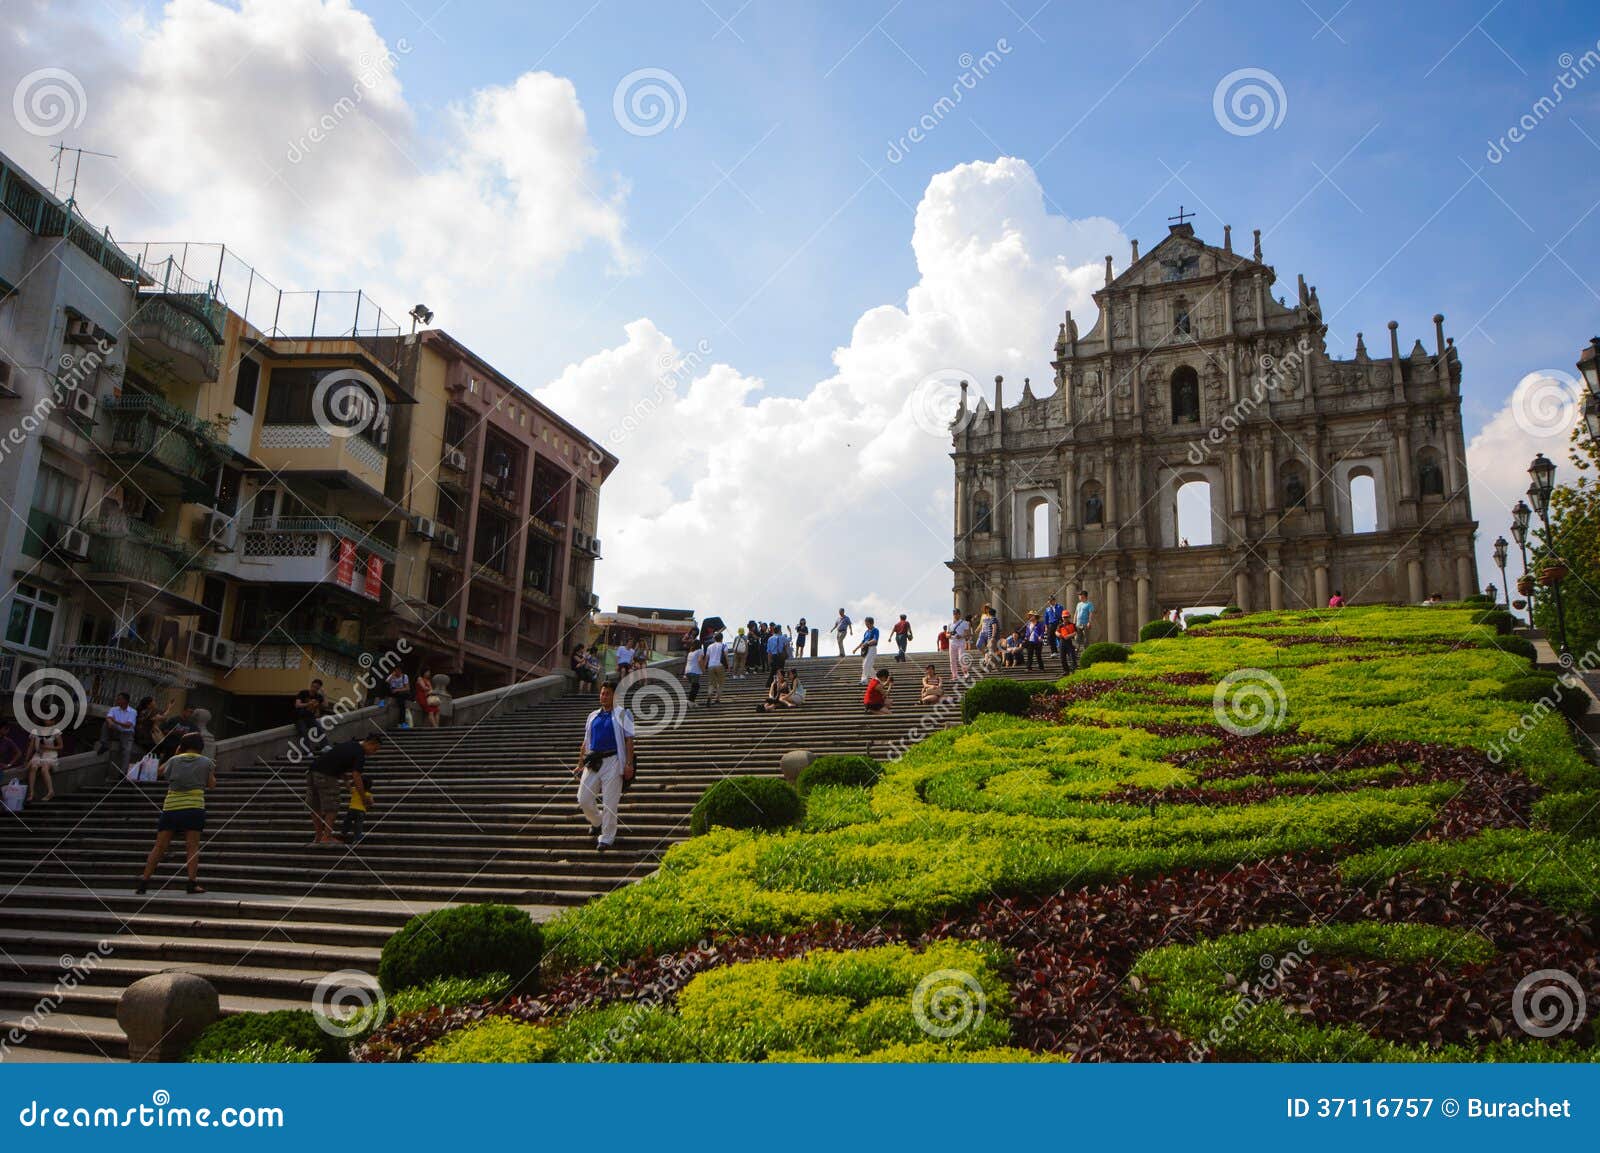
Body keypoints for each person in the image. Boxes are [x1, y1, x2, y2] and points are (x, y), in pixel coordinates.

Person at [136, 732, 216, 894]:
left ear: (182, 745)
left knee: (159, 847)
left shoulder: (174, 760)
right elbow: (211, 784)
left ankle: (144, 882)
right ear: (201, 746)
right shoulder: (207, 762)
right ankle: (191, 883)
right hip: (194, 807)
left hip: (171, 807)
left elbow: (159, 773)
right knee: (192, 847)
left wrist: (176, 755)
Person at [575, 681, 634, 852]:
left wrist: (629, 764)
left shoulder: (623, 714)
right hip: (593, 761)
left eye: (607, 693)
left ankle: (607, 837)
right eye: (602, 693)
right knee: (583, 798)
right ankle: (597, 821)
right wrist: (580, 764)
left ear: (614, 696)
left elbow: (629, 740)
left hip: (614, 760)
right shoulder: (593, 716)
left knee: (610, 801)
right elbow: (585, 742)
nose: (603, 696)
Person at [306, 733, 380, 846]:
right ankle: (327, 837)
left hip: (312, 772)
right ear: (370, 743)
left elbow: (340, 767)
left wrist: (349, 787)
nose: (374, 753)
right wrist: (363, 797)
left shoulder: (349, 744)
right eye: (375, 749)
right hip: (327, 775)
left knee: (315, 805)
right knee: (332, 806)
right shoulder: (360, 752)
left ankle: (318, 836)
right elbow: (356, 776)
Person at [104, 692, 137, 778]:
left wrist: (114, 721)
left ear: (125, 701)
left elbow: (128, 725)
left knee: (127, 751)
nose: (117, 700)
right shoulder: (114, 709)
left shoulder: (133, 712)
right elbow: (108, 717)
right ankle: (104, 743)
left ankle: (123, 773)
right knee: (106, 724)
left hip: (127, 733)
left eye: (119, 699)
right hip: (116, 730)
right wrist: (111, 722)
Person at [24, 730, 60, 802]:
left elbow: (60, 746)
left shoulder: (55, 731)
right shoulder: (35, 731)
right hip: (38, 755)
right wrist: (26, 759)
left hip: (50, 755)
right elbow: (31, 747)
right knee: (33, 767)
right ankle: (31, 793)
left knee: (44, 769)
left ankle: (50, 791)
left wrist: (46, 747)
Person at [342, 770, 374, 846]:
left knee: (347, 820)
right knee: (358, 825)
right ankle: (357, 838)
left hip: (351, 810)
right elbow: (371, 803)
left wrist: (346, 780)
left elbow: (348, 787)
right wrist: (367, 802)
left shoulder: (355, 790)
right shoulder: (368, 794)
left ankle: (344, 830)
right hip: (361, 812)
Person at [293, 679, 325, 746]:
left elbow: (326, 705)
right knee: (304, 733)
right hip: (300, 718)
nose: (314, 689)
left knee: (320, 728)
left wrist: (324, 694)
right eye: (313, 686)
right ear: (311, 685)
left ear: (319, 688)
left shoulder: (318, 696)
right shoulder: (303, 693)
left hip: (310, 718)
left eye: (317, 688)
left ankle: (325, 746)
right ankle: (307, 751)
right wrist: (308, 703)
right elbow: (297, 705)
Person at [703, 632, 727, 704]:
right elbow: (726, 656)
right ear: (722, 638)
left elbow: (706, 658)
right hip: (720, 665)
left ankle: (709, 695)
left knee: (711, 683)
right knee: (721, 683)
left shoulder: (709, 646)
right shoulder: (724, 645)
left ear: (714, 638)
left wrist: (704, 667)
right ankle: (717, 699)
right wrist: (728, 666)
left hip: (711, 666)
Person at [855, 616, 880, 684]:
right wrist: (856, 648)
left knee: (866, 664)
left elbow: (875, 640)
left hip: (872, 649)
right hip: (865, 650)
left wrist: (867, 643)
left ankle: (864, 680)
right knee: (867, 666)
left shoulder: (875, 630)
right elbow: (863, 641)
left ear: (871, 623)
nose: (866, 625)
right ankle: (877, 679)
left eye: (867, 624)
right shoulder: (866, 632)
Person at [948, 609, 970, 680]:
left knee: (961, 658)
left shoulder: (964, 623)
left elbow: (967, 634)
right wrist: (949, 636)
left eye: (957, 613)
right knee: (952, 660)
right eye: (954, 614)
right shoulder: (950, 624)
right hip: (952, 642)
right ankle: (954, 675)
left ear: (959, 614)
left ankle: (965, 672)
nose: (955, 615)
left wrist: (961, 636)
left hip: (961, 642)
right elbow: (947, 634)